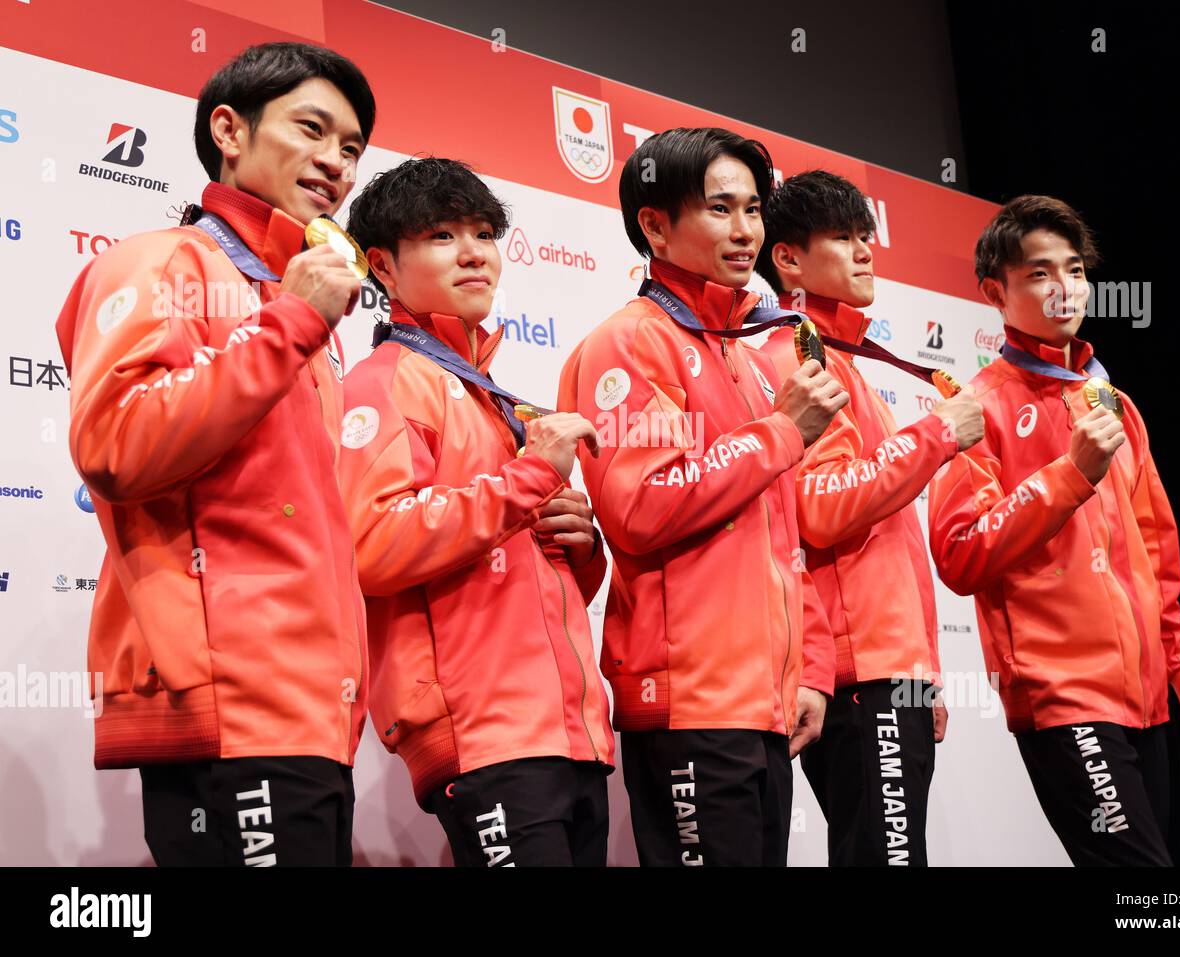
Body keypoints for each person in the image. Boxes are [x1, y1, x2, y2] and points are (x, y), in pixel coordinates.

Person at [54, 42, 376, 865]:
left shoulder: (295, 301)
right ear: (228, 130)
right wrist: (293, 323)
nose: (335, 163)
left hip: (311, 712)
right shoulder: (163, 261)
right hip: (232, 707)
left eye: (350, 148)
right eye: (313, 129)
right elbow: (114, 442)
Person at [557, 127, 845, 866]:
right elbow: (642, 504)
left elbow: (784, 537)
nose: (745, 229)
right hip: (690, 704)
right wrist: (783, 430)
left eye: (753, 208)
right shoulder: (630, 342)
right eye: (720, 208)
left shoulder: (745, 354)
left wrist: (809, 669)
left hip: (762, 707)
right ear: (655, 223)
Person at [927, 194, 1180, 865]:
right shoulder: (973, 406)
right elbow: (959, 553)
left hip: (1147, 700)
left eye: (1074, 270)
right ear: (995, 290)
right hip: (1062, 698)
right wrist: (1070, 475)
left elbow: (1156, 559)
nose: (1064, 287)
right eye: (1039, 273)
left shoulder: (1114, 402)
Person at [340, 157, 615, 866]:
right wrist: (527, 481)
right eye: (441, 235)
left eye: (486, 232)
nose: (473, 252)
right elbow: (372, 546)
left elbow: (541, 583)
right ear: (383, 265)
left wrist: (581, 545)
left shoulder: (491, 394)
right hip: (485, 735)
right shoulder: (385, 383)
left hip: (569, 735)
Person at [756, 170, 985, 865]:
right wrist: (939, 434)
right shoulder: (794, 357)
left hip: (891, 669)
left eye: (867, 237)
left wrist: (925, 669)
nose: (864, 252)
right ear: (787, 258)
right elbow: (820, 511)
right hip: (855, 676)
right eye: (843, 238)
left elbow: (893, 546)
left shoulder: (846, 360)